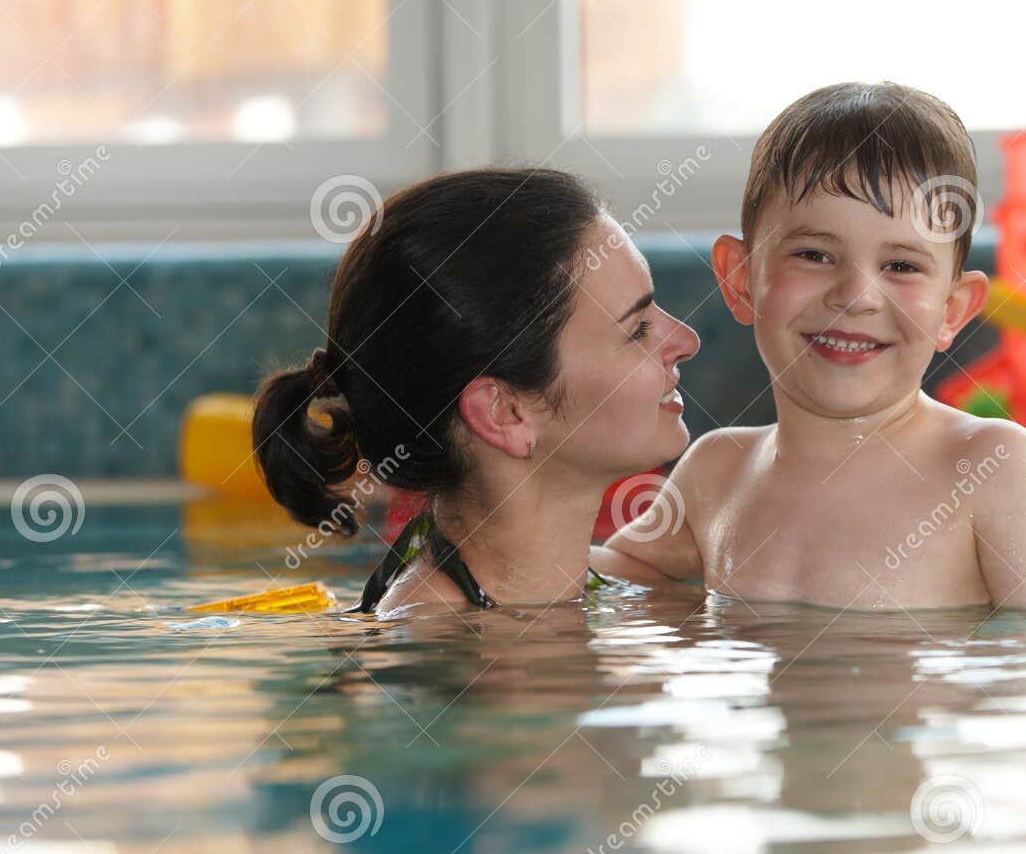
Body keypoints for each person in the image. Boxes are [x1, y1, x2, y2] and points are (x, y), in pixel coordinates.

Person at [601, 82, 1026, 612]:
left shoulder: (990, 467)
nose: (856, 297)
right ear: (742, 281)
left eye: (901, 266)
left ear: (952, 310)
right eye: (814, 254)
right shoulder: (717, 470)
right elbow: (610, 578)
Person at [252, 167, 699, 615]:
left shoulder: (609, 581)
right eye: (638, 329)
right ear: (504, 413)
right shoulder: (438, 639)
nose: (687, 341)